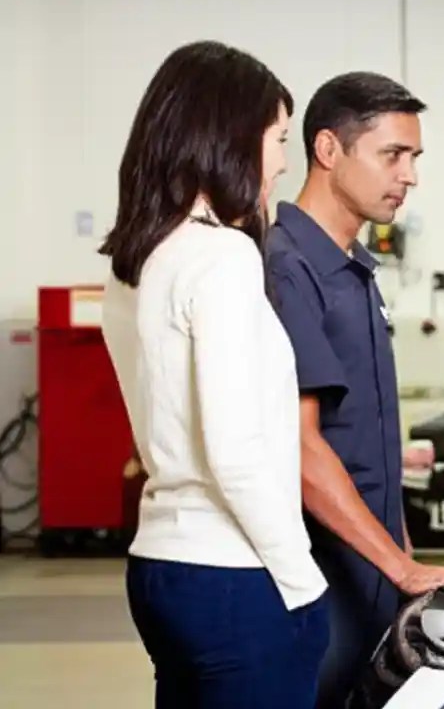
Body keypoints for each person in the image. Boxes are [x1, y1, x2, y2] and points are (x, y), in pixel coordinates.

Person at [98, 40, 329, 708]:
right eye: (278, 139)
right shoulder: (223, 256)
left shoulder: (133, 263)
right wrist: (301, 578)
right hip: (236, 572)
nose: (282, 161)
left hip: (161, 567)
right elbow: (234, 450)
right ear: (229, 137)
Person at [263, 71, 444, 709]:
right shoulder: (288, 268)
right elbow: (300, 446)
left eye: (414, 157)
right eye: (393, 155)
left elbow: (366, 437)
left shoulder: (353, 270)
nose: (410, 176)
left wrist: (400, 554)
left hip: (370, 571)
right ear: (328, 149)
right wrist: (399, 565)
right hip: (319, 577)